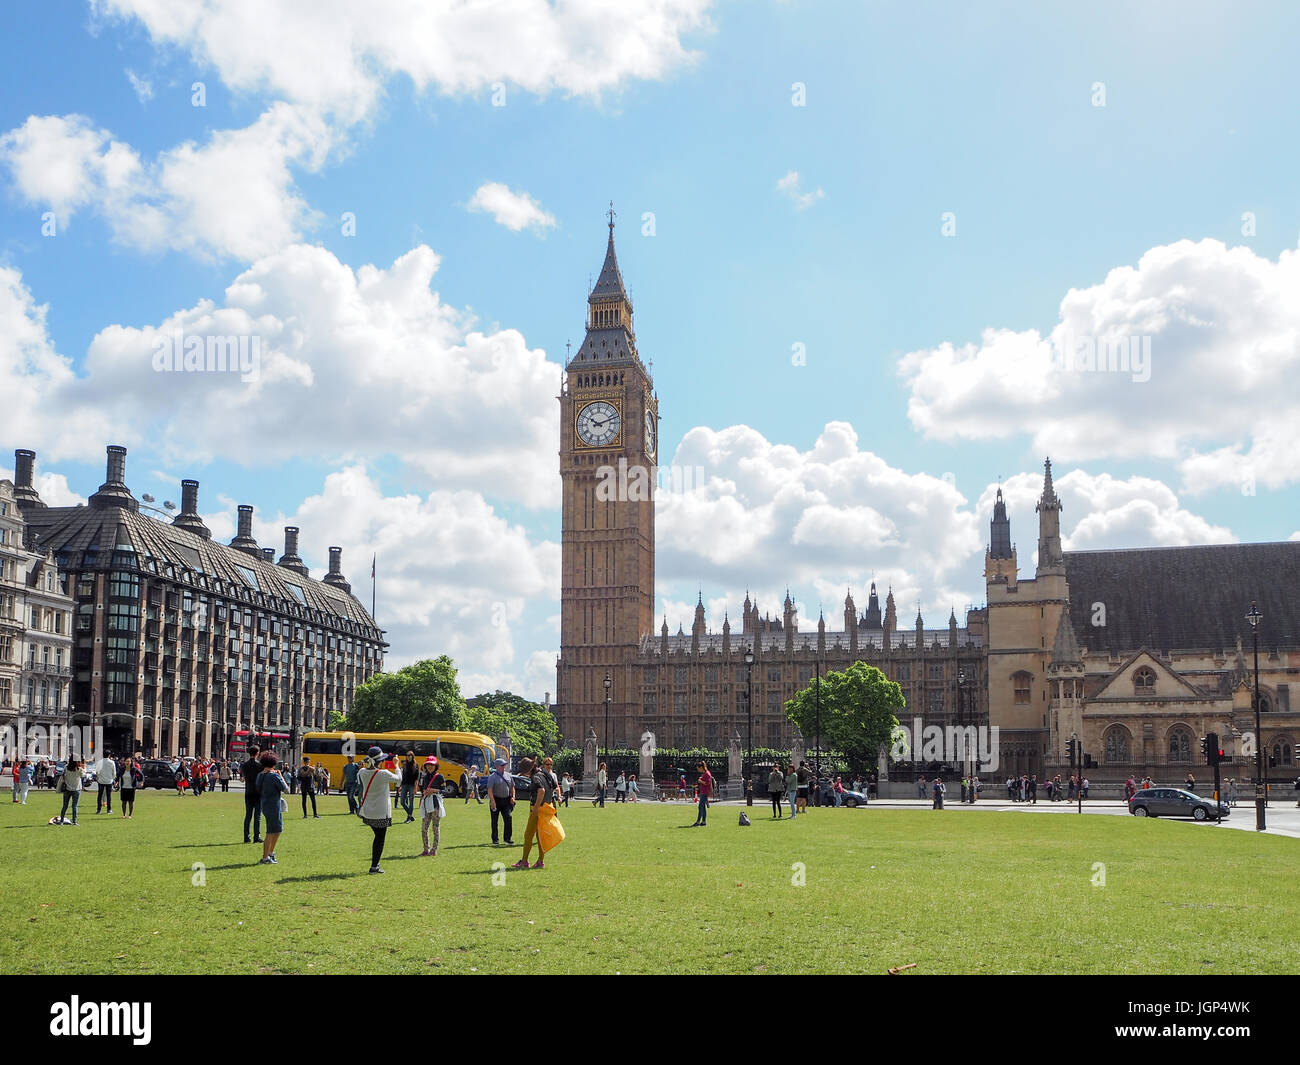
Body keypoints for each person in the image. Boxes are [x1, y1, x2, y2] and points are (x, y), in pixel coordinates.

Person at [357, 746, 401, 873]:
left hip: (367, 811)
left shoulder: (362, 772)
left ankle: (375, 865)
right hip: (381, 812)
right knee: (380, 839)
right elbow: (399, 779)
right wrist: (396, 765)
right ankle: (374, 866)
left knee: (378, 837)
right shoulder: (383, 773)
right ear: (380, 762)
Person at [512, 757, 552, 870]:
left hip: (537, 810)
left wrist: (536, 807)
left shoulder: (535, 777)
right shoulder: (545, 774)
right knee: (540, 837)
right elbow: (553, 787)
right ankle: (540, 861)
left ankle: (524, 861)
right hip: (547, 808)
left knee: (528, 835)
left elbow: (541, 791)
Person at [255, 751, 287, 865]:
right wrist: (280, 775)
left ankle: (270, 852)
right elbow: (286, 789)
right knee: (271, 831)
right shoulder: (274, 776)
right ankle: (265, 857)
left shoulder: (260, 775)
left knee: (278, 829)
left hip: (265, 804)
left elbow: (258, 788)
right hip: (274, 805)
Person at [418, 756, 445, 857]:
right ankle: (426, 849)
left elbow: (444, 790)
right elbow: (423, 789)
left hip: (435, 805)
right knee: (424, 828)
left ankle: (434, 849)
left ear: (435, 766)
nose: (430, 767)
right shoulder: (425, 777)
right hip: (426, 804)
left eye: (432, 765)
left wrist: (434, 790)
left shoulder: (440, 777)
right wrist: (425, 792)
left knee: (435, 828)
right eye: (428, 765)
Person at [486, 757, 515, 845]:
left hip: (506, 800)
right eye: (502, 765)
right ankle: (495, 839)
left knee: (508, 818)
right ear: (497, 766)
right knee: (494, 820)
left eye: (504, 765)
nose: (504, 767)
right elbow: (490, 790)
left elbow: (512, 787)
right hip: (496, 799)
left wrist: (513, 797)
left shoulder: (509, 775)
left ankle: (507, 838)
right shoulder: (492, 777)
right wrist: (492, 801)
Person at [241, 745, 263, 844]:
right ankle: (256, 836)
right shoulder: (260, 765)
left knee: (248, 815)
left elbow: (244, 777)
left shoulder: (244, 765)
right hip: (258, 792)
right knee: (257, 816)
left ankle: (246, 837)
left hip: (248, 791)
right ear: (257, 753)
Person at [58, 758, 84, 825]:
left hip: (67, 788)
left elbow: (63, 775)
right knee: (75, 806)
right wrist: (83, 768)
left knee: (65, 806)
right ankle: (74, 821)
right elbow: (83, 775)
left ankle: (61, 821)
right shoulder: (79, 769)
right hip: (76, 789)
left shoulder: (66, 767)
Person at [692, 761, 714, 826]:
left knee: (700, 807)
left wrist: (700, 781)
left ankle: (698, 821)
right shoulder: (705, 773)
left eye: (698, 769)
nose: (698, 770)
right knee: (703, 807)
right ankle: (703, 822)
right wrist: (701, 779)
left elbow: (707, 783)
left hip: (705, 792)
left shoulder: (707, 774)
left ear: (701, 767)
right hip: (703, 791)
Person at [399, 752, 418, 824]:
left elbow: (417, 778)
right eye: (407, 755)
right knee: (402, 802)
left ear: (412, 756)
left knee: (411, 801)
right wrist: (401, 786)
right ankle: (410, 815)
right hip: (404, 785)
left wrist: (416, 787)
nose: (408, 757)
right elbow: (403, 776)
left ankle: (409, 817)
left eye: (410, 755)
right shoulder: (404, 765)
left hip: (412, 785)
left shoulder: (415, 765)